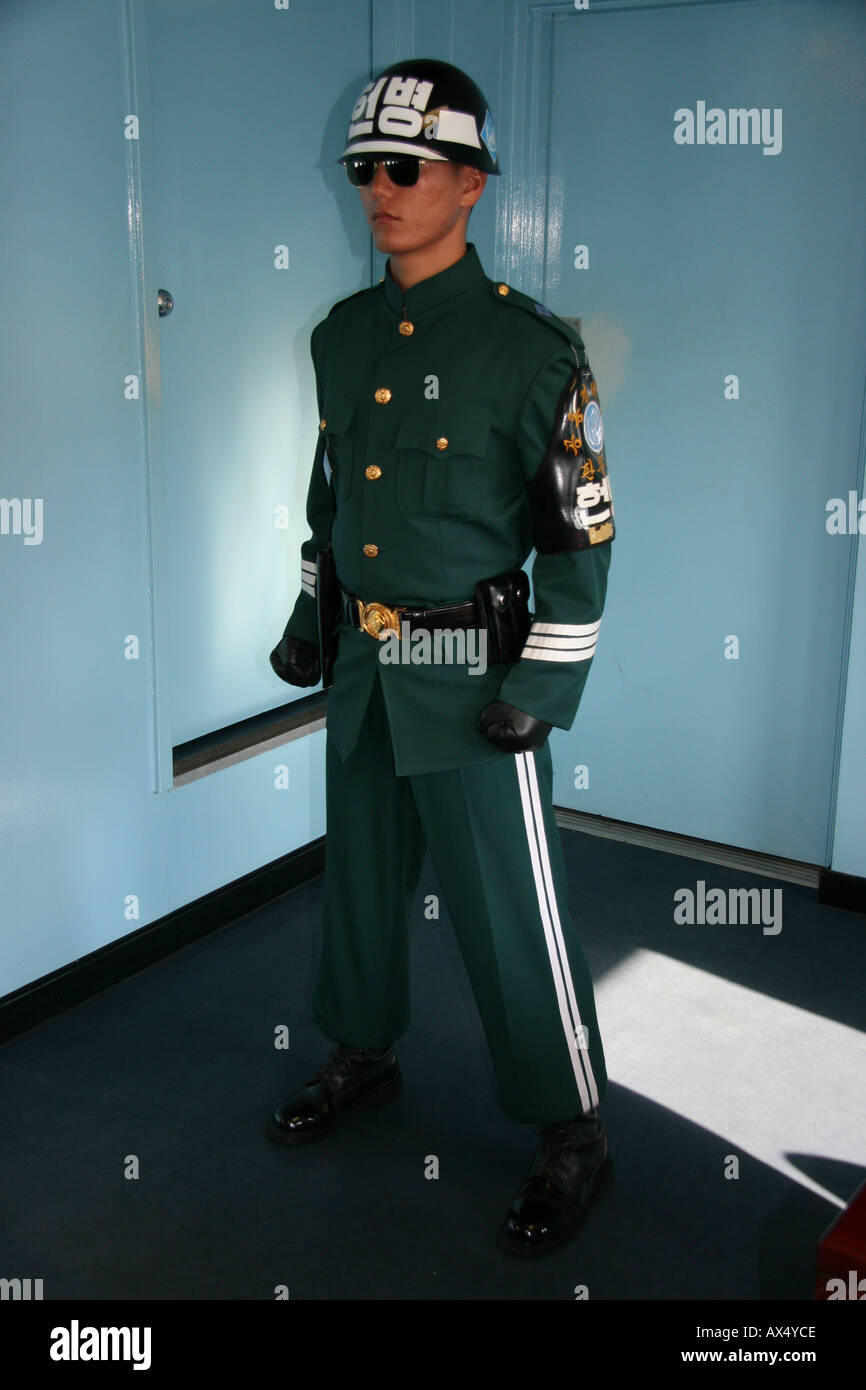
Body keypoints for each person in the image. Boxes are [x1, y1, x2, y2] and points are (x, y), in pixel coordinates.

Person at [266, 57, 616, 1258]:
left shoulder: (530, 350)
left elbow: (579, 539)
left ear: (469, 183)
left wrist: (541, 685)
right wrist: (313, 613)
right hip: (365, 675)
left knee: (510, 915)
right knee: (357, 884)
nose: (378, 189)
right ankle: (361, 1052)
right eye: (363, 169)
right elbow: (332, 500)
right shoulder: (343, 335)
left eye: (403, 169)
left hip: (474, 678)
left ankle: (569, 1128)